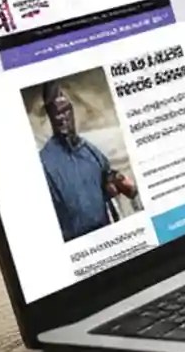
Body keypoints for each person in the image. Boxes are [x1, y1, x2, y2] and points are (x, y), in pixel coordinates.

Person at [39, 81, 138, 241]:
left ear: (73, 111)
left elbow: (107, 178)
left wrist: (119, 182)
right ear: (49, 116)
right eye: (55, 113)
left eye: (65, 111)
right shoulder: (44, 163)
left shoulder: (90, 151)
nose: (61, 118)